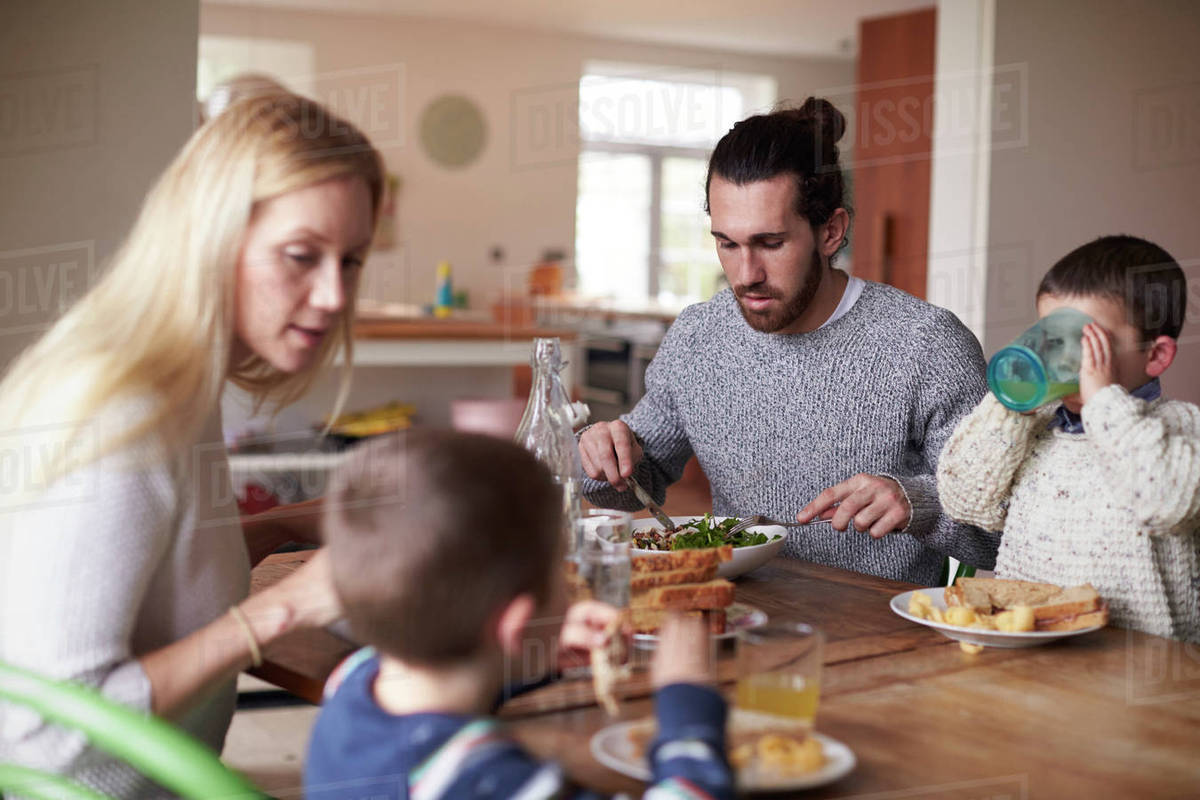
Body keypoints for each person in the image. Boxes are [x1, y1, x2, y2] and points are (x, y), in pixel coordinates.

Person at [0, 92, 384, 796]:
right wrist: (286, 608)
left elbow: (147, 572)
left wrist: (291, 524)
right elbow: (42, 737)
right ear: (211, 237)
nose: (333, 295)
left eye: (352, 261)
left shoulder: (179, 384)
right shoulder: (118, 413)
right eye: (302, 255)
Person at [579, 98, 996, 585]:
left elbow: (999, 527)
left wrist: (916, 501)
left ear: (831, 231)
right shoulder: (698, 336)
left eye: (770, 244)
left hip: (881, 634)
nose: (745, 274)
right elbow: (636, 484)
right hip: (737, 615)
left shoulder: (925, 345)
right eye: (727, 243)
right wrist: (601, 453)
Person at [306, 430, 733, 800]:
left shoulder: (353, 680)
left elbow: (454, 676)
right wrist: (686, 703)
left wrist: (534, 651)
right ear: (516, 622)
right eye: (561, 578)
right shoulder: (478, 779)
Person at [937, 236, 1199, 642]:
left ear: (1155, 356)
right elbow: (963, 498)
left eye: (1085, 341)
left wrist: (1103, 404)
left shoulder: (1182, 429)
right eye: (1050, 335)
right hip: (1028, 648)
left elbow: (1163, 502)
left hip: (1136, 666)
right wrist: (1011, 407)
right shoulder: (1033, 429)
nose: (1061, 354)